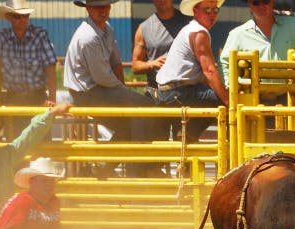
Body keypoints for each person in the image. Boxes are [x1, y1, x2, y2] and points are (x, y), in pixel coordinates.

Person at [64, 0, 157, 177]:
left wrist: (123, 92)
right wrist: (125, 93)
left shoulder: (105, 30)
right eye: (98, 6)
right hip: (89, 93)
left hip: (96, 90)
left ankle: (101, 168)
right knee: (145, 107)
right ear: (88, 8)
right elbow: (103, 77)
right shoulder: (89, 37)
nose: (103, 10)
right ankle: (139, 169)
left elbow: (115, 63)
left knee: (130, 125)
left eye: (105, 6)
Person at [155, 0, 228, 142]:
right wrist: (228, 101)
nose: (212, 14)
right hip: (179, 91)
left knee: (184, 145)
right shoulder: (199, 33)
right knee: (221, 103)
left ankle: (186, 138)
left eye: (215, 10)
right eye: (207, 10)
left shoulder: (190, 29)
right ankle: (189, 133)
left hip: (169, 92)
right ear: (195, 11)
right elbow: (210, 71)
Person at [0, 103, 71, 228]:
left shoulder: (4, 157)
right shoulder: (4, 157)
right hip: (5, 226)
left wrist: (51, 113)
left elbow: (28, 138)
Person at [0, 0, 58, 135]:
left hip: (38, 98)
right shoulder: (0, 37)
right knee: (15, 142)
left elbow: (50, 69)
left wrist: (52, 99)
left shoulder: (40, 35)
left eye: (25, 15)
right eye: (17, 16)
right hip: (12, 99)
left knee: (41, 143)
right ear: (8, 17)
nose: (22, 19)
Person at [219, 0, 295, 87]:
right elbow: (224, 64)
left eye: (265, 1)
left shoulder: (294, 25)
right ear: (249, 4)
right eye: (256, 2)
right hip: (252, 101)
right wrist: (232, 90)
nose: (261, 6)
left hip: (290, 97)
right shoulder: (238, 34)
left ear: (272, 2)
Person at [131, 0, 192, 102]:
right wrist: (152, 64)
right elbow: (135, 66)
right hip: (157, 93)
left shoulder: (189, 24)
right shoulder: (144, 28)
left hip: (187, 91)